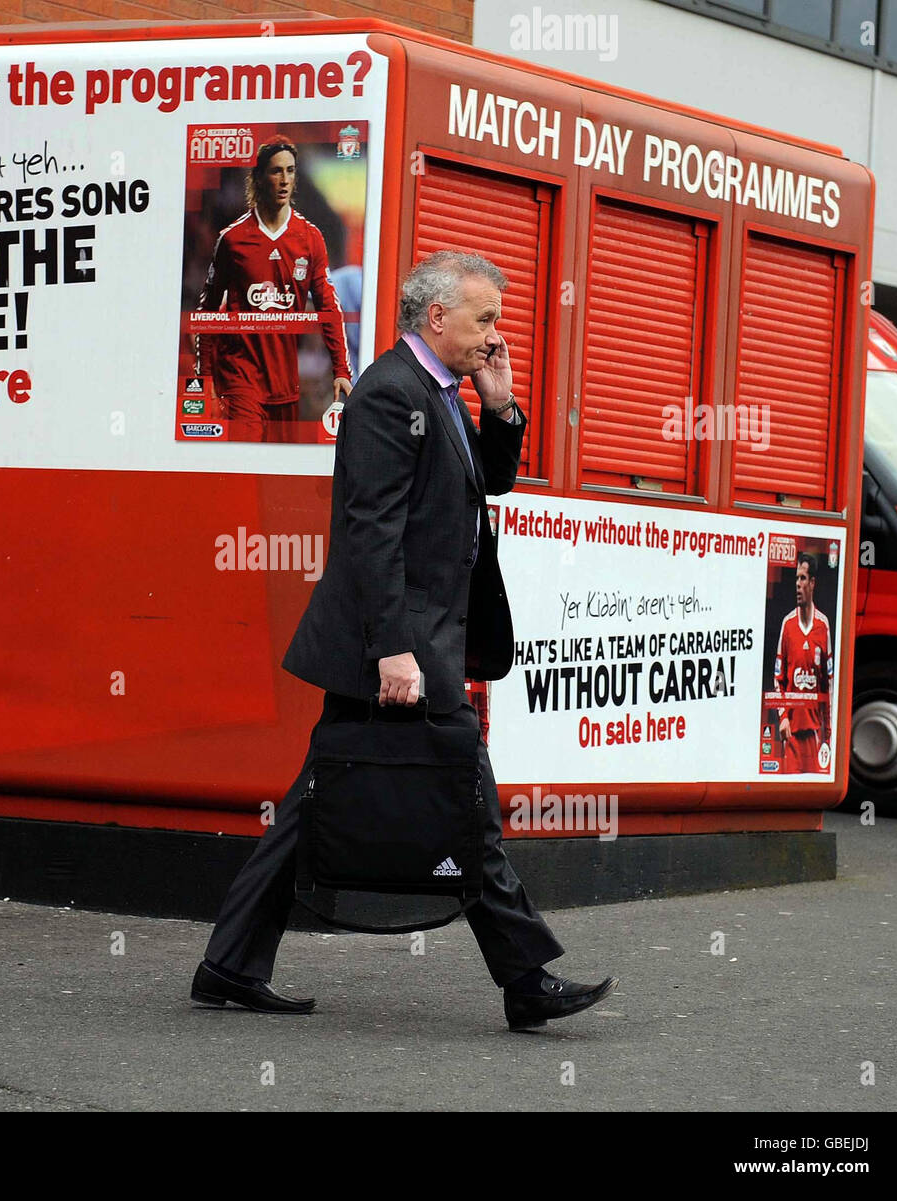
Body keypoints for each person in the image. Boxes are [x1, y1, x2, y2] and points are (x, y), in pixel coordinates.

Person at [191, 250, 616, 1031]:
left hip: (413, 644)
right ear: (436, 317)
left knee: (316, 809)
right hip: (396, 649)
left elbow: (488, 482)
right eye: (485, 318)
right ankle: (525, 979)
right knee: (466, 800)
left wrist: (503, 406)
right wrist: (394, 649)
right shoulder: (390, 394)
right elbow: (370, 533)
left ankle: (228, 964)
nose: (496, 335)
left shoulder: (440, 391)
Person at [193, 134, 352, 442]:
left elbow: (329, 308)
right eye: (276, 171)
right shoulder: (232, 239)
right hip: (241, 377)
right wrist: (205, 377)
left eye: (289, 171)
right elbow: (209, 311)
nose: (283, 180)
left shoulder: (312, 237)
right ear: (257, 179)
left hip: (285, 382)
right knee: (246, 458)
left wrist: (341, 370)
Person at [774, 551, 834, 773]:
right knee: (788, 796)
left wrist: (828, 734)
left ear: (812, 582)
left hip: (815, 735)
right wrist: (782, 717)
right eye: (796, 579)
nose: (798, 585)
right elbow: (777, 678)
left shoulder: (823, 626)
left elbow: (829, 684)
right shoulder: (787, 625)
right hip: (791, 735)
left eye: (802, 578)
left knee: (814, 795)